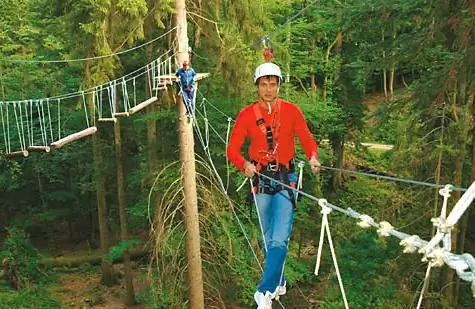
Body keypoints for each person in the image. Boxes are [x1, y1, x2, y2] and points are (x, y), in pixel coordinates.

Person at [226, 62, 320, 309]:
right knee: (269, 239)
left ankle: (264, 291)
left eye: (273, 83)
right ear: (257, 86)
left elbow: (307, 139)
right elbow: (232, 150)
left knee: (279, 239)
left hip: (286, 179)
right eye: (264, 84)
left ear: (279, 85)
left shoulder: (291, 111)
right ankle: (279, 281)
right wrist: (244, 164)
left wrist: (312, 157)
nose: (268, 89)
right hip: (260, 181)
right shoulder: (247, 115)